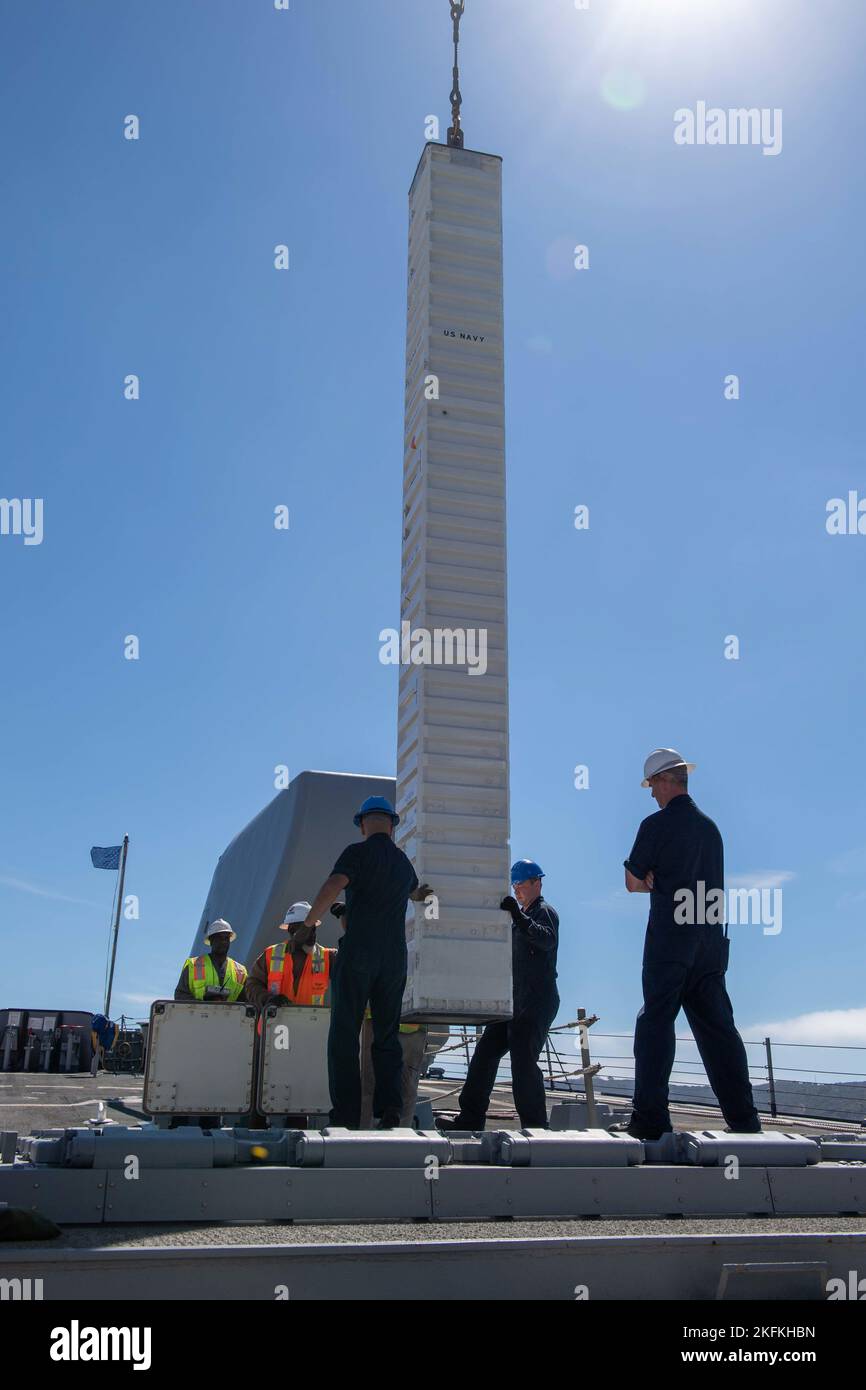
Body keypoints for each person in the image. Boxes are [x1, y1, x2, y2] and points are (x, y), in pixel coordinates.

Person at [618, 748, 761, 1140]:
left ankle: (650, 1120)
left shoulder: (656, 826)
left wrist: (650, 879)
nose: (651, 794)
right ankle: (745, 1121)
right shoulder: (710, 829)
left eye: (651, 786)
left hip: (671, 940)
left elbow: (632, 882)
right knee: (718, 1031)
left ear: (664, 781)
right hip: (710, 941)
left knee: (655, 1023)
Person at [302, 796, 433, 1129]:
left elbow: (334, 885)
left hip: (359, 954)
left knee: (344, 1035)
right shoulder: (403, 863)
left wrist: (307, 926)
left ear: (362, 824)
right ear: (392, 825)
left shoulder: (355, 854)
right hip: (393, 960)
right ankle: (388, 1111)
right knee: (386, 1037)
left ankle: (345, 1116)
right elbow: (417, 894)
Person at [437, 860, 560, 1132]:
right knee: (484, 1056)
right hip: (511, 1001)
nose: (516, 890)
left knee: (523, 1062)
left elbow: (546, 939)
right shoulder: (516, 918)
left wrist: (517, 916)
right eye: (514, 885)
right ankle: (470, 1118)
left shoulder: (544, 912)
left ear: (537, 883)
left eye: (521, 885)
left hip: (535, 1001)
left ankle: (535, 1126)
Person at [244, 902, 334, 1010]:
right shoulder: (271, 954)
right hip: (274, 1023)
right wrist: (268, 999)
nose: (313, 933)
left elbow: (351, 970)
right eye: (308, 928)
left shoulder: (328, 957)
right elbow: (252, 985)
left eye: (314, 928)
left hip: (309, 1023)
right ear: (292, 930)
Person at [175, 921, 248, 1003]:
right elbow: (180, 995)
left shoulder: (240, 971)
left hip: (229, 1015)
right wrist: (205, 1004)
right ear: (211, 940)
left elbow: (245, 1001)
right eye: (219, 938)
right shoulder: (194, 965)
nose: (223, 941)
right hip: (198, 1014)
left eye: (226, 938)